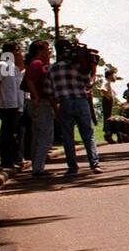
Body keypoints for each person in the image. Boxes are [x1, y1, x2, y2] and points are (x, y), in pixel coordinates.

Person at [48, 41, 100, 174]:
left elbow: (49, 90)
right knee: (88, 134)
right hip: (81, 101)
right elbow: (88, 84)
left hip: (64, 102)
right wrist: (93, 71)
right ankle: (94, 163)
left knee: (67, 136)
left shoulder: (52, 68)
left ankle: (72, 167)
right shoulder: (77, 66)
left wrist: (56, 109)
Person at [24, 41, 55, 177]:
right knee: (44, 136)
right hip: (40, 103)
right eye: (46, 49)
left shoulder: (39, 64)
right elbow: (30, 81)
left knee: (37, 137)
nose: (48, 52)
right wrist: (36, 97)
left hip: (39, 103)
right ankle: (38, 168)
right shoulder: (36, 64)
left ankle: (36, 166)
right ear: (39, 51)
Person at [0, 42, 25, 170]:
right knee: (7, 134)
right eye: (17, 51)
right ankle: (6, 160)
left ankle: (11, 159)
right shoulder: (3, 65)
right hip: (6, 105)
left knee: (12, 134)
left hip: (14, 105)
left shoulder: (13, 68)